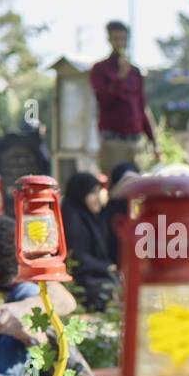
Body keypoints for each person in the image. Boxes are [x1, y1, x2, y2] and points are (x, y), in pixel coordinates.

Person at [0, 214, 101, 376]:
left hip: (10, 357)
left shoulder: (15, 264)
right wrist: (6, 319)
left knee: (31, 296)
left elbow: (65, 301)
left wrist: (21, 312)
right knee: (25, 325)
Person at [89, 21, 157, 173]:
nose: (120, 42)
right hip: (113, 140)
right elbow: (104, 102)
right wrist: (120, 77)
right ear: (109, 40)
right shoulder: (100, 69)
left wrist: (154, 141)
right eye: (116, 38)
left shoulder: (135, 72)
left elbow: (142, 107)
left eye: (123, 38)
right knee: (115, 186)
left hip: (135, 141)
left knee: (136, 186)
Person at [60, 172, 117, 311]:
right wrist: (105, 267)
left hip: (94, 276)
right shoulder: (71, 217)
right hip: (82, 282)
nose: (97, 198)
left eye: (99, 192)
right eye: (92, 193)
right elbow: (77, 258)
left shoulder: (92, 217)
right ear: (80, 194)